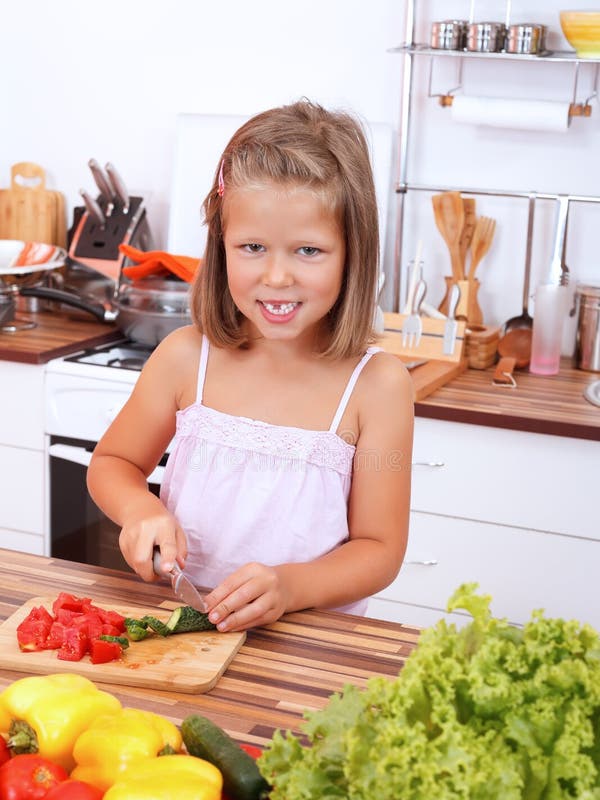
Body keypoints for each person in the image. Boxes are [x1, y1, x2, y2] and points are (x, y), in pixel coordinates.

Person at [87, 99, 414, 632]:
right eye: (253, 246)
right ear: (221, 246)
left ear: (353, 252)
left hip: (311, 655)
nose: (278, 276)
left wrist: (290, 588)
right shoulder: (185, 358)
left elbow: (380, 551)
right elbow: (113, 464)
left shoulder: (377, 387)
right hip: (185, 638)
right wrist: (140, 511)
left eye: (308, 250)